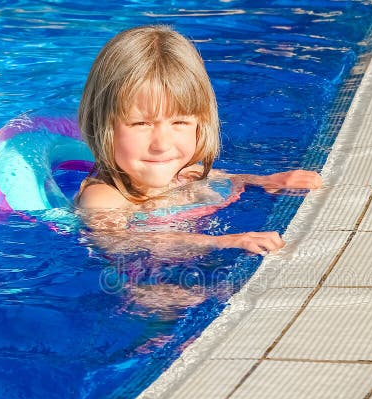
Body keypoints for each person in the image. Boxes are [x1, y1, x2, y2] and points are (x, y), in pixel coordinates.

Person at [75, 25, 321, 256]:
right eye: (141, 124)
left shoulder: (184, 174)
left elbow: (223, 178)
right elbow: (118, 241)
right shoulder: (105, 198)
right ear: (101, 125)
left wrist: (264, 181)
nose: (162, 145)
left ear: (200, 123)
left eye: (179, 122)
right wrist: (222, 241)